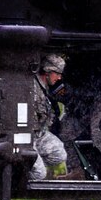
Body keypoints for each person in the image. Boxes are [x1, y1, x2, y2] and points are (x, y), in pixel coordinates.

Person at [54, 70, 101, 179]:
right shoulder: (57, 81)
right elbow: (57, 100)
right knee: (64, 133)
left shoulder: (84, 68)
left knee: (99, 134)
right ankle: (76, 170)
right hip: (77, 108)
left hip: (96, 101)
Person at [27, 53, 68, 184]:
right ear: (48, 71)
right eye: (57, 73)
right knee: (39, 174)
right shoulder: (32, 87)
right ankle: (25, 170)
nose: (59, 77)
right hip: (27, 136)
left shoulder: (45, 87)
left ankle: (29, 164)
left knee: (59, 153)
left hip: (39, 134)